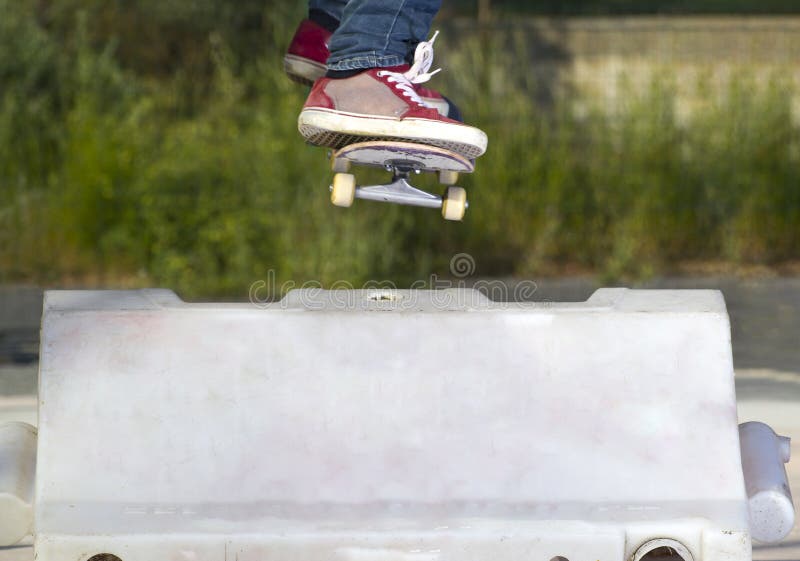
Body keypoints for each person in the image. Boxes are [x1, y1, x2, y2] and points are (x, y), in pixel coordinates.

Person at [284, 0, 488, 160]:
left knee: (339, 26)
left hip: (330, 28)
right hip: (366, 61)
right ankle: (370, 62)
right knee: (371, 53)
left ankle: (332, 29)